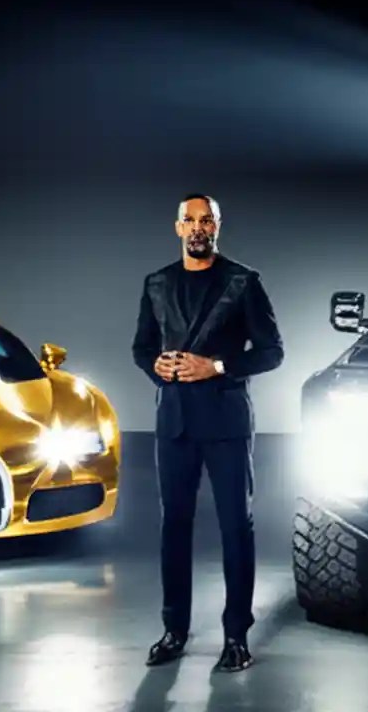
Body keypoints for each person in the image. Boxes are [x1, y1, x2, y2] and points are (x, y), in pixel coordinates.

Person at [131, 192, 284, 672]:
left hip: (225, 424)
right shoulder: (156, 283)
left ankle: (236, 636)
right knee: (173, 528)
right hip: (173, 424)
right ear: (178, 228)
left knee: (236, 528)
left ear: (218, 227)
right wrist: (156, 366)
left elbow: (271, 351)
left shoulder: (243, 282)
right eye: (190, 220)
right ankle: (174, 629)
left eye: (207, 220)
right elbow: (140, 347)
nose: (198, 228)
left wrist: (216, 365)